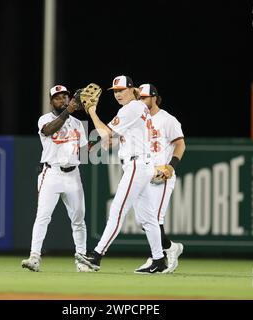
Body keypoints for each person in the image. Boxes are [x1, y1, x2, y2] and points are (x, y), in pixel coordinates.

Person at [75, 75, 168, 274]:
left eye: (121, 90)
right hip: (142, 163)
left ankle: (96, 256)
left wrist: (91, 110)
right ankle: (159, 259)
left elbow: (106, 134)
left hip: (136, 165)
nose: (117, 94)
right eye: (115, 91)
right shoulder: (137, 108)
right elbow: (111, 140)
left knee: (117, 212)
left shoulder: (131, 108)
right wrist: (96, 143)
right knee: (148, 218)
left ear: (131, 89)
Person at [21, 85, 93, 272]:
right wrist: (68, 112)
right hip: (51, 174)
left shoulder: (78, 124)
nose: (62, 100)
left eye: (65, 97)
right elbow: (48, 131)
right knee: (43, 217)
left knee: (79, 220)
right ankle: (34, 257)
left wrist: (102, 139)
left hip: (73, 176)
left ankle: (81, 260)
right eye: (58, 97)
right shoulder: (45, 119)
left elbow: (85, 153)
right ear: (51, 101)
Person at [135, 83, 186, 273]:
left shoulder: (167, 119)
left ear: (154, 98)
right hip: (144, 174)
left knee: (154, 219)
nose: (141, 101)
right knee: (144, 221)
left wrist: (171, 167)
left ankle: (157, 258)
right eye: (139, 97)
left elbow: (180, 145)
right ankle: (171, 248)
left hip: (161, 176)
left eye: (144, 97)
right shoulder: (139, 119)